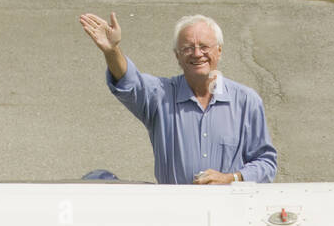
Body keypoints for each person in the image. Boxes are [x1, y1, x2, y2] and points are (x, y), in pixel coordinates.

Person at [79, 11, 277, 184]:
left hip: (227, 211)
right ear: (177, 56)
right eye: (188, 48)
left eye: (204, 46)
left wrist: (231, 178)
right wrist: (112, 51)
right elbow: (129, 82)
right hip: (174, 212)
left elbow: (266, 163)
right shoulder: (160, 96)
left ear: (219, 50)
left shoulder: (247, 102)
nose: (197, 53)